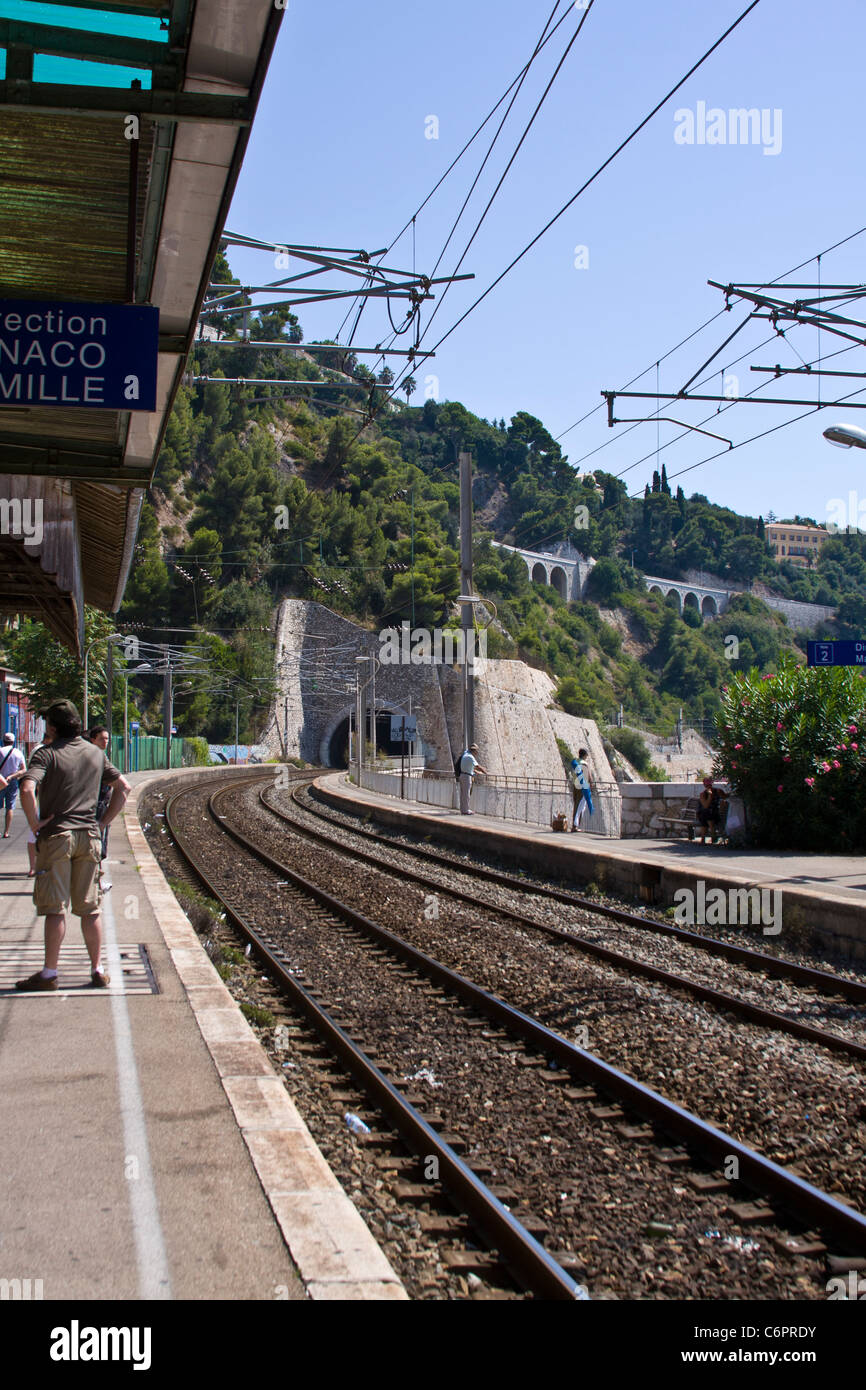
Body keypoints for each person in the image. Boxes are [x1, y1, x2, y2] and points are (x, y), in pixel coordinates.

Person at [16, 699, 130, 992]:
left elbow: (27, 789)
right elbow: (123, 788)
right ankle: (98, 969)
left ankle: (50, 973)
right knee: (90, 908)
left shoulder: (46, 755)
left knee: (55, 909)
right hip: (88, 837)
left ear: (52, 727)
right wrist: (103, 823)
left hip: (56, 838)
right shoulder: (95, 753)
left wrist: (34, 823)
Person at [88, 724, 113, 888]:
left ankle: (96, 880)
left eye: (107, 739)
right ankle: (95, 882)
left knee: (98, 847)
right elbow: (121, 785)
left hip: (102, 806)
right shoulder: (93, 758)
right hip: (95, 807)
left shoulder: (102, 757)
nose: (105, 742)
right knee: (96, 846)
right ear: (93, 740)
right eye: (101, 739)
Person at [0, 731, 27, 838]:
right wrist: (12, 776)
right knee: (10, 807)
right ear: (13, 742)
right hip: (12, 782)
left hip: (0, 781)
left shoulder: (0, 751)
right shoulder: (18, 753)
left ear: (4, 741)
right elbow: (23, 769)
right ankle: (6, 831)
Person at [697, 776, 728, 845]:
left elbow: (725, 797)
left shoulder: (718, 791)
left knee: (707, 815)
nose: (708, 786)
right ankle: (713, 836)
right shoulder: (702, 794)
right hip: (706, 814)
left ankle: (704, 839)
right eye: (706, 784)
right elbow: (706, 806)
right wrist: (710, 796)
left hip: (716, 814)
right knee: (707, 814)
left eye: (709, 784)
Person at [568, 749, 594, 831]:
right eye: (587, 755)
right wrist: (591, 784)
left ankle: (574, 825)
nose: (587, 756)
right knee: (580, 806)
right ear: (584, 755)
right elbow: (589, 776)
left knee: (576, 805)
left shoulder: (576, 762)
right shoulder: (584, 763)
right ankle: (575, 826)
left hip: (575, 786)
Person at [458, 743, 486, 815]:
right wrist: (485, 772)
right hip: (466, 777)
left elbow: (469, 766)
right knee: (466, 794)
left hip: (462, 775)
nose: (477, 753)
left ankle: (463, 809)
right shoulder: (470, 757)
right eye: (476, 751)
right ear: (474, 751)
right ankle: (466, 810)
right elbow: (478, 766)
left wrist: (476, 771)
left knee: (463, 794)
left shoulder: (465, 754)